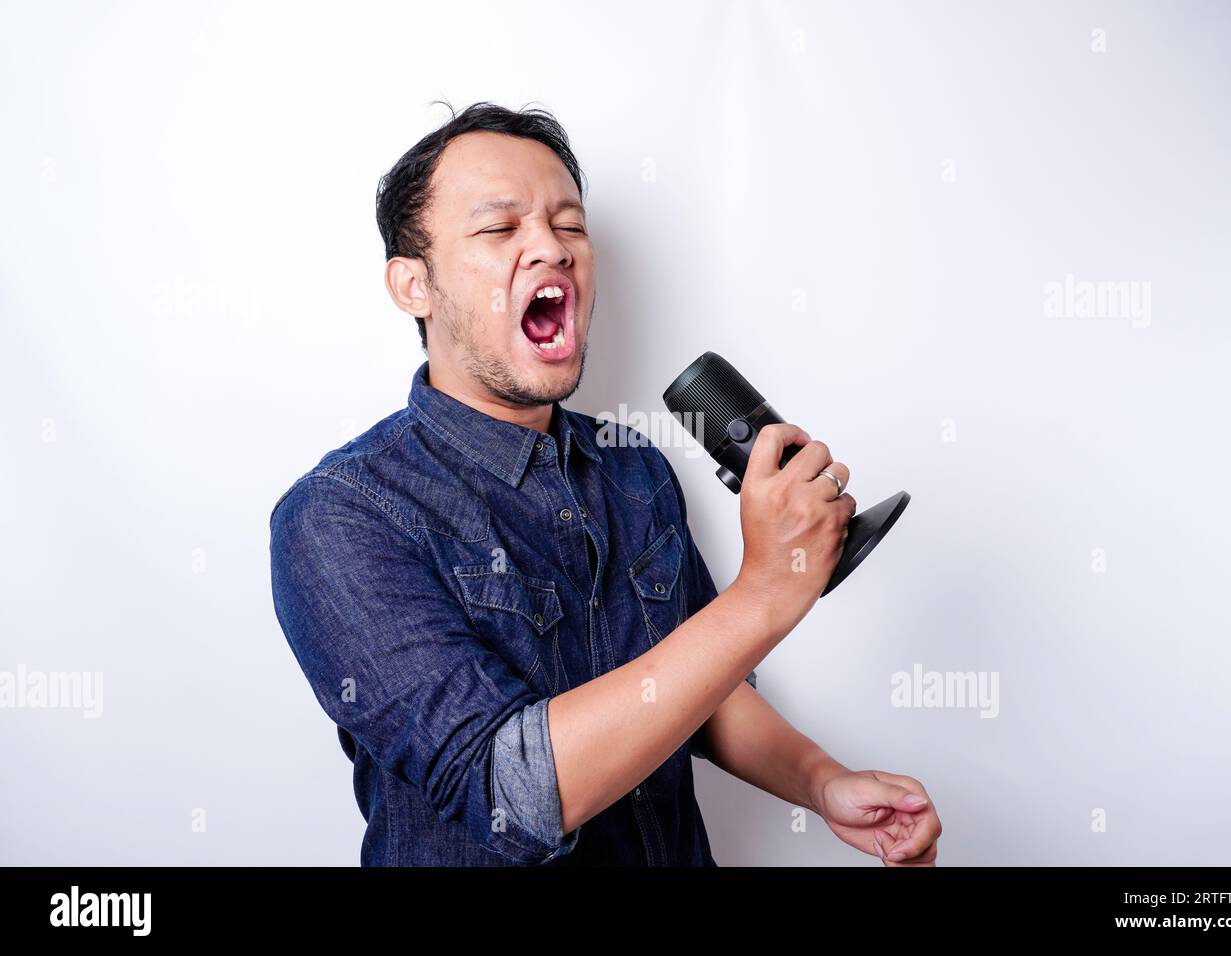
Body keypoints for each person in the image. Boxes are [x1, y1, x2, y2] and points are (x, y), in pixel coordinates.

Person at [268, 101, 941, 866]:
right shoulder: (339, 517)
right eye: (500, 228)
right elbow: (509, 792)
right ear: (413, 285)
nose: (550, 249)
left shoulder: (634, 468)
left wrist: (823, 783)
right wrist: (763, 592)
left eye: (570, 226)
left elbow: (706, 688)